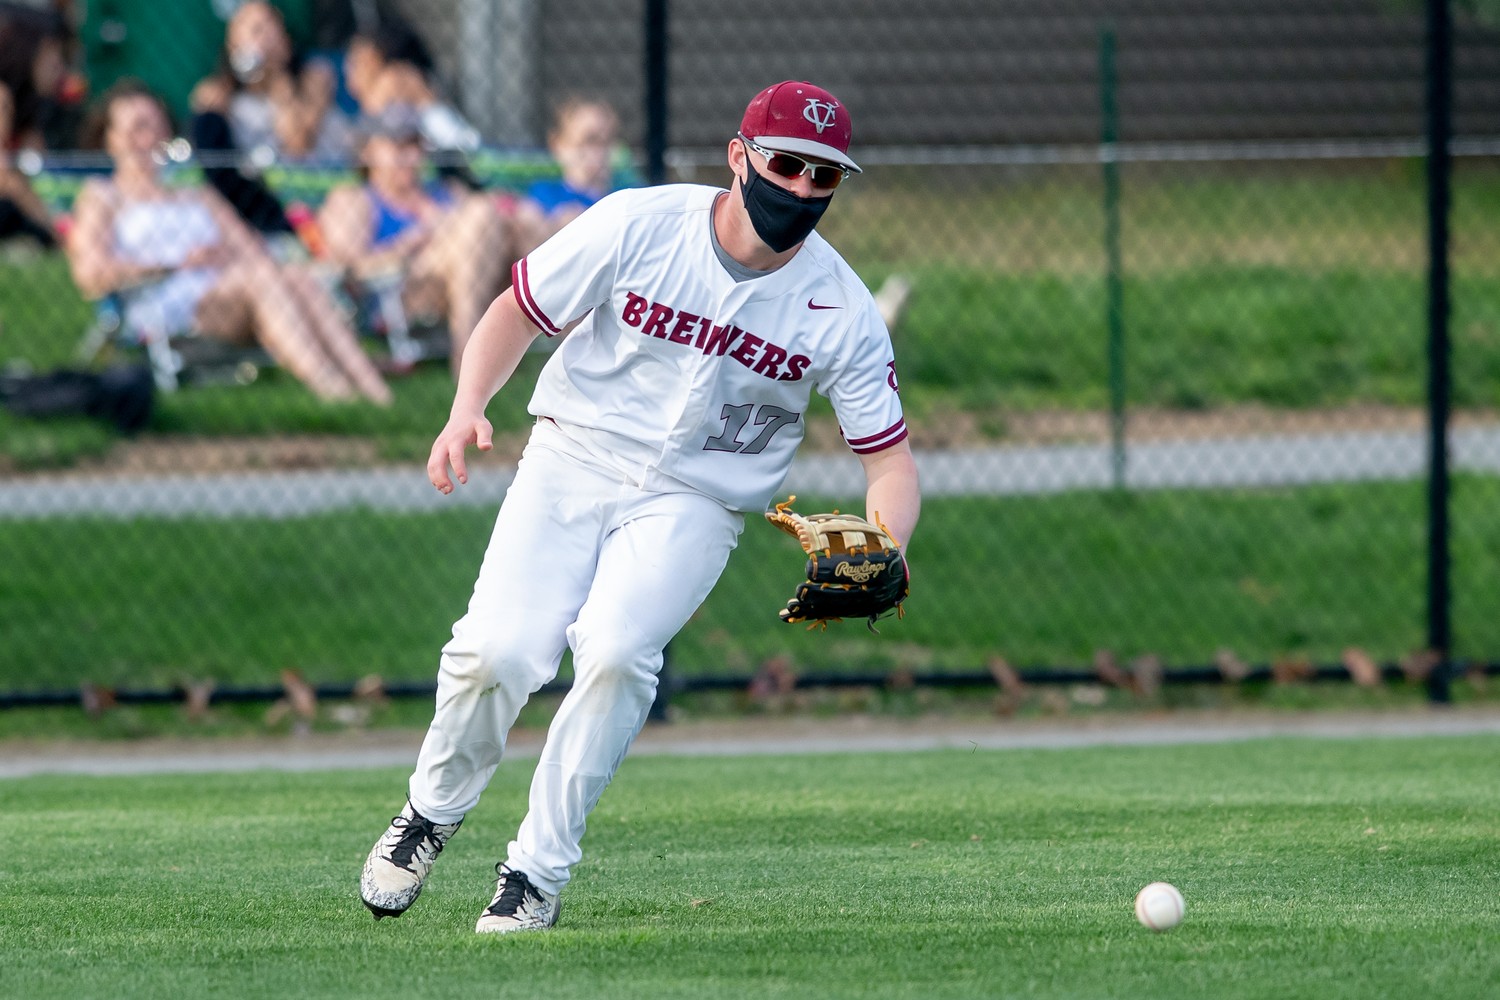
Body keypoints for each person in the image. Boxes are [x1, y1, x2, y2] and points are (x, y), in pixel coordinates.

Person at [358, 80, 920, 934]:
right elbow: (517, 310)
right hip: (573, 454)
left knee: (618, 654)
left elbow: (889, 461)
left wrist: (885, 547)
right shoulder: (639, 222)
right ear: (739, 158)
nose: (803, 188)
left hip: (697, 498)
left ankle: (533, 874)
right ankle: (431, 813)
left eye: (824, 175)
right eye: (786, 165)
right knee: (499, 652)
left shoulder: (839, 305)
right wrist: (467, 403)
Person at [67, 81, 391, 404]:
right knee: (265, 279)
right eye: (137, 127)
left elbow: (252, 248)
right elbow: (91, 274)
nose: (150, 137)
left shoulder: (195, 194)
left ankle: (369, 383)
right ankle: (331, 387)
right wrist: (177, 262)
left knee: (295, 276)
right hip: (167, 304)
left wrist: (224, 255)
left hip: (233, 287)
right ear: (109, 138)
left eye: (156, 125)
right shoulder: (103, 197)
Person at [315, 103, 508, 374]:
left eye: (415, 145)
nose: (410, 156)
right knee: (478, 214)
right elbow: (349, 269)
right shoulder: (355, 199)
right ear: (368, 151)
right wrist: (417, 238)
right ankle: (468, 352)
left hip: (463, 281)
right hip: (399, 293)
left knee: (498, 215)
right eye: (397, 146)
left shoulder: (445, 191)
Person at [190, 0, 353, 235]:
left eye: (272, 25)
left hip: (333, 192)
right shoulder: (228, 99)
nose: (268, 35)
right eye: (256, 29)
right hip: (279, 206)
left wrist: (278, 78)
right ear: (234, 46)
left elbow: (297, 142)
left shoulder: (315, 75)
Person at [512, 96, 626, 255]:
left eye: (608, 140)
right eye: (589, 140)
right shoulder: (543, 192)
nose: (600, 151)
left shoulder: (624, 195)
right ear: (558, 144)